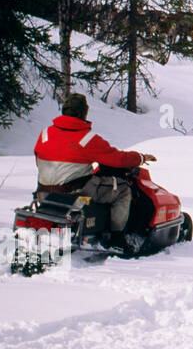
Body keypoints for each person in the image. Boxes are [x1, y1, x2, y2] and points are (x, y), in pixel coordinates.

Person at [33, 93, 157, 246]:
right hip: (76, 192)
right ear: (84, 112)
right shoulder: (87, 138)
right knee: (123, 189)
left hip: (44, 193)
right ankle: (117, 238)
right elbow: (117, 158)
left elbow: (38, 160)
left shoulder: (45, 134)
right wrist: (141, 158)